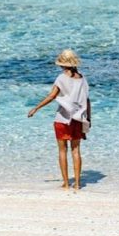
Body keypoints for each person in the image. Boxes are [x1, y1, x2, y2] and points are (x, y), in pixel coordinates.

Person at [27, 49, 90, 191]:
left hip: (62, 118)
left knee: (62, 151)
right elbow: (87, 101)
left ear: (62, 64)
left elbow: (52, 96)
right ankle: (78, 184)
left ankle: (67, 184)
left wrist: (36, 108)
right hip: (78, 119)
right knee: (76, 150)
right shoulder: (82, 79)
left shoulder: (61, 78)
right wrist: (88, 121)